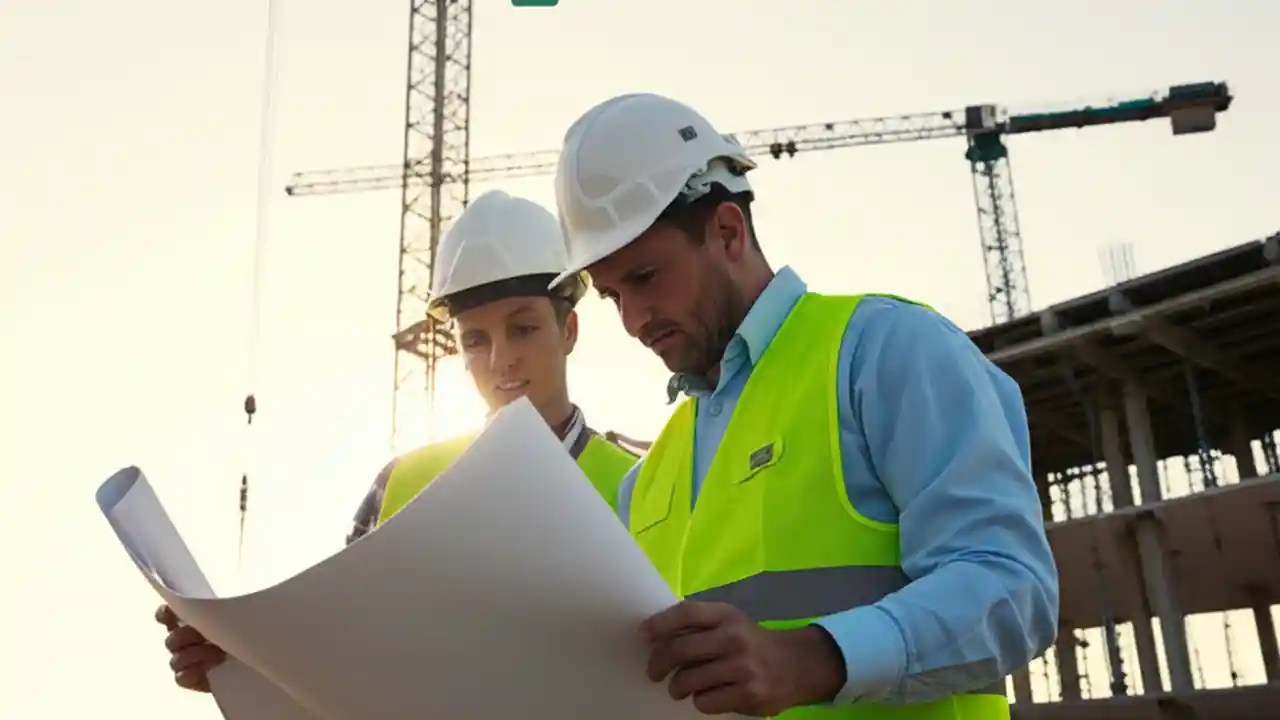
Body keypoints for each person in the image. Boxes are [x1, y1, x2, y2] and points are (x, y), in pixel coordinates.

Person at [549, 93, 1059, 718]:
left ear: (728, 231)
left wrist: (813, 659)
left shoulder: (883, 351)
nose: (633, 319)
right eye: (611, 296)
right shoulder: (647, 482)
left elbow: (1013, 590)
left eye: (646, 277)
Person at [156, 189, 640, 694]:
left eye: (523, 328)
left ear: (569, 330)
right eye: (475, 340)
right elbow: (340, 660)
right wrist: (236, 667)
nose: (501, 360)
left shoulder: (640, 480)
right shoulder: (402, 484)